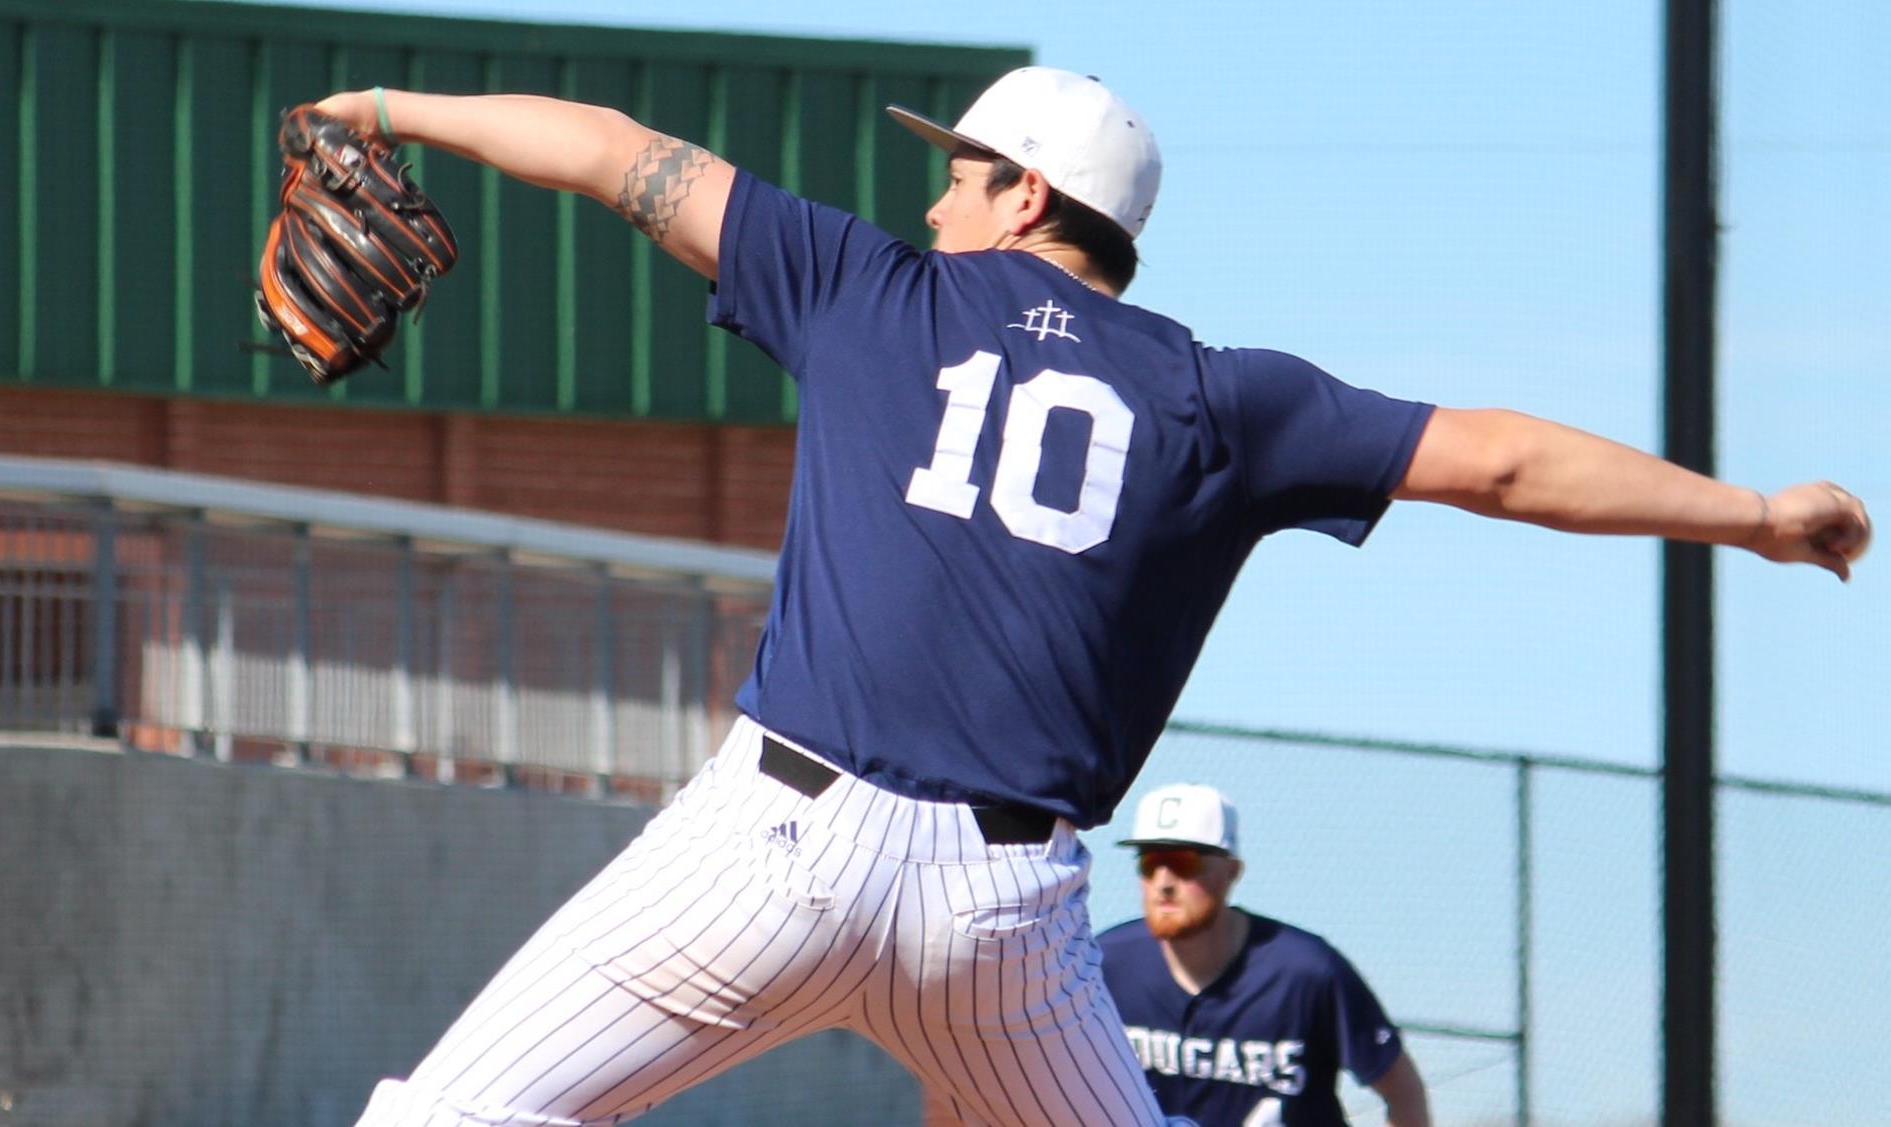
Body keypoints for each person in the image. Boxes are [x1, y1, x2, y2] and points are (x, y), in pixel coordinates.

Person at [308, 65, 1870, 1127]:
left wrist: (388, 104)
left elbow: (606, 148)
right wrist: (1748, 515)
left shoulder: (868, 287)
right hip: (1002, 921)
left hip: (770, 852)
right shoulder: (1221, 401)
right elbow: (1508, 463)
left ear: (1029, 194)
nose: (935, 201)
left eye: (961, 173)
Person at [1099, 784, 1430, 1127]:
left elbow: (1403, 1090)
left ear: (1232, 871)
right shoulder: (1105, 965)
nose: (1164, 882)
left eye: (1185, 862)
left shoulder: (1307, 971)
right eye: (1150, 863)